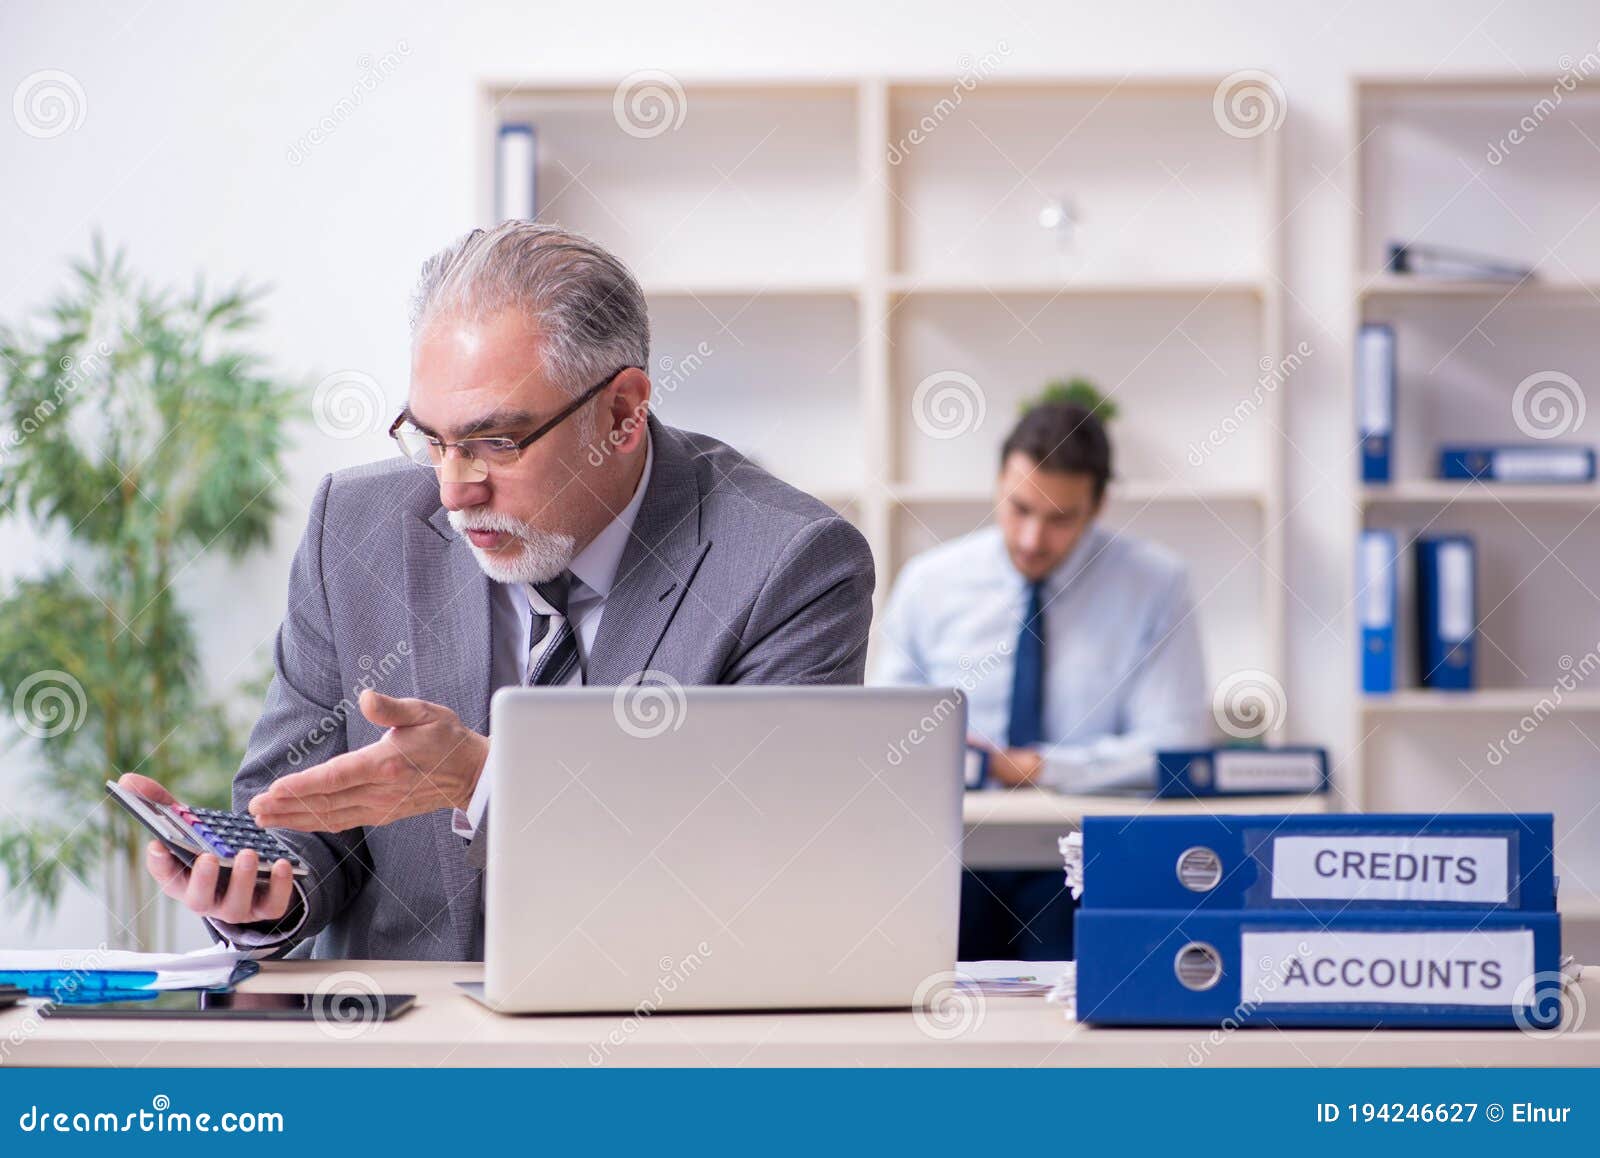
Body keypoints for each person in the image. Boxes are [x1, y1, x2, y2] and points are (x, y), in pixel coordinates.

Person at [119, 222, 876, 960]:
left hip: (649, 1023)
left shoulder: (789, 564)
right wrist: (266, 893)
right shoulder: (353, 530)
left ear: (622, 412)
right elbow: (297, 811)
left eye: (496, 443)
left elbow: (762, 869)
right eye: (432, 439)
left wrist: (487, 781)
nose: (455, 490)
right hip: (396, 1029)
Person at [873, 400, 1207, 959]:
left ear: (1097, 506)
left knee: (1070, 990)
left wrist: (1038, 768)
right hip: (950, 854)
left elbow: (1175, 748)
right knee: (922, 978)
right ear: (997, 486)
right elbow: (885, 731)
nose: (1031, 538)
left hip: (1082, 856)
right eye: (1019, 508)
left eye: (1059, 519)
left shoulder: (1155, 585)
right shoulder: (929, 584)